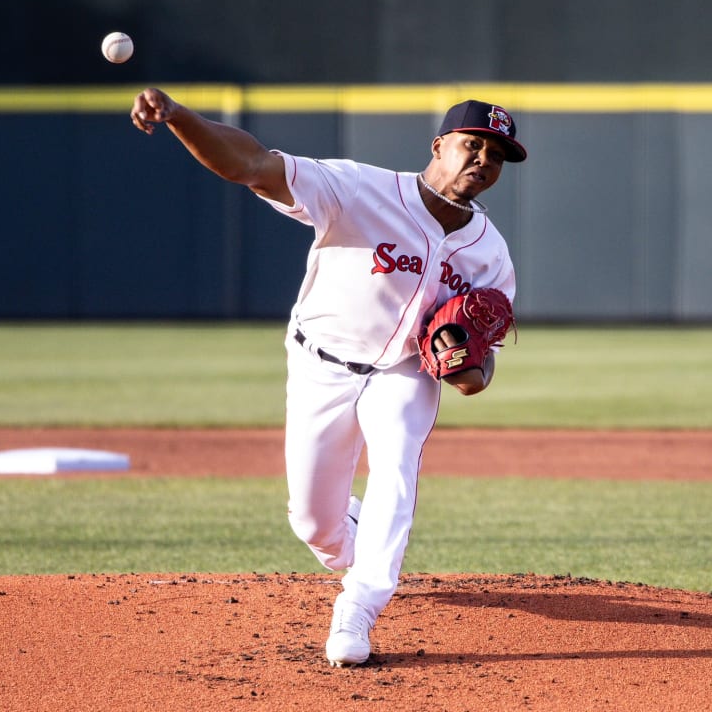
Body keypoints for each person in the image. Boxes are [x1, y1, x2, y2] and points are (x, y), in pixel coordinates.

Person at [130, 89, 526, 667]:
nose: (483, 161)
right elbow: (252, 166)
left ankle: (360, 606)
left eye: (496, 155)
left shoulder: (490, 254)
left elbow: (477, 372)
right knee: (315, 524)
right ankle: (352, 541)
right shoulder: (358, 188)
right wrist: (180, 118)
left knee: (396, 466)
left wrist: (467, 361)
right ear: (439, 146)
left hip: (403, 375)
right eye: (473, 145)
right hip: (322, 363)